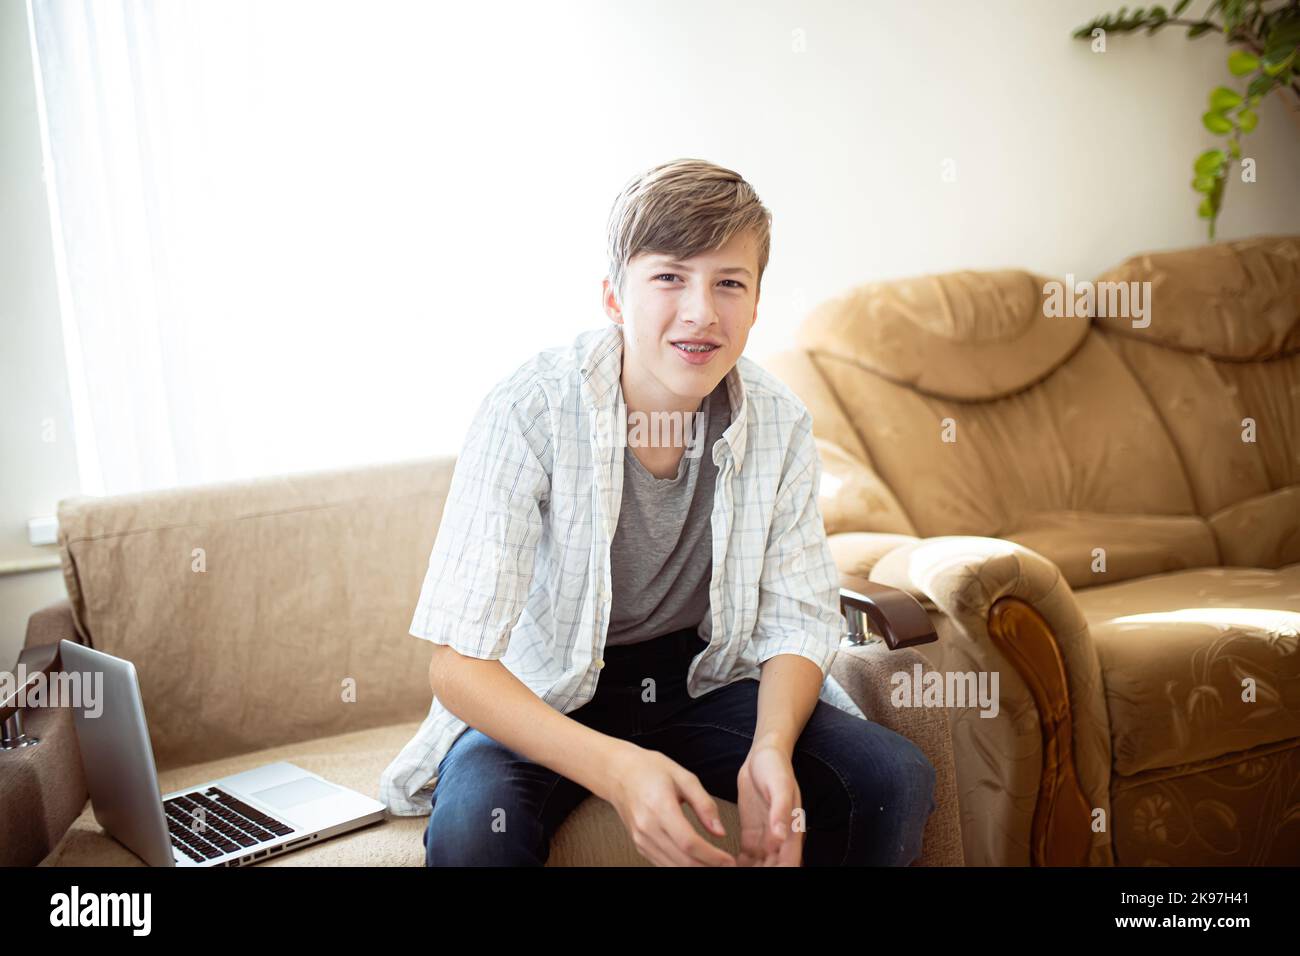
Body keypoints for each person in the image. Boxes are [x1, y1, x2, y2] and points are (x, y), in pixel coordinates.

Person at [378, 158, 936, 866]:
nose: (702, 311)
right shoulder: (530, 409)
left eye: (729, 283)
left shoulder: (779, 421)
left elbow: (796, 614)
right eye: (670, 277)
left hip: (699, 676)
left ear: (757, 303)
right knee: (472, 833)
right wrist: (616, 768)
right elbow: (458, 666)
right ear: (614, 297)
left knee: (893, 777)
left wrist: (770, 747)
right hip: (546, 684)